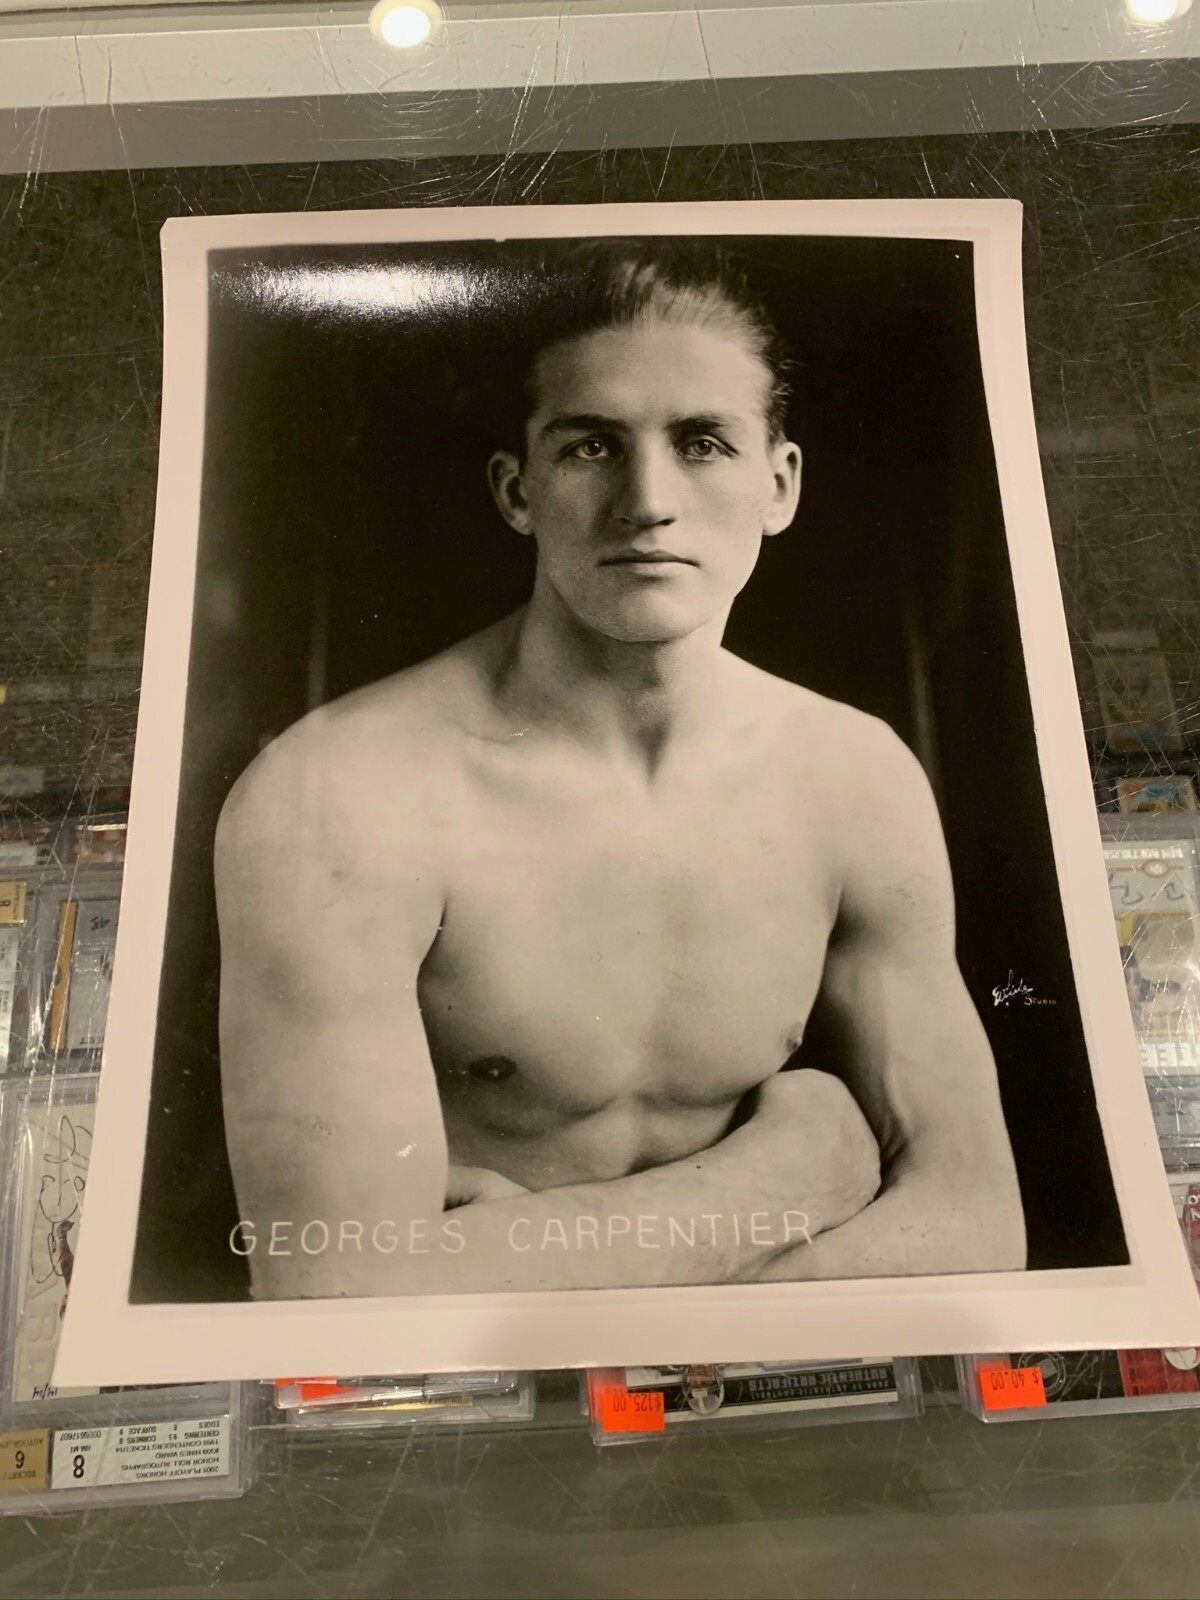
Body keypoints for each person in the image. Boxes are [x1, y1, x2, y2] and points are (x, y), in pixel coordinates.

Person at [215, 240, 1026, 1300]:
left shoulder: (855, 776)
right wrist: (786, 1170)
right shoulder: (341, 794)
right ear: (518, 490)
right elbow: (333, 1300)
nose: (649, 500)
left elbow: (976, 1223)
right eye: (592, 446)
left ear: (779, 485)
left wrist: (565, 1277)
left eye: (701, 443)